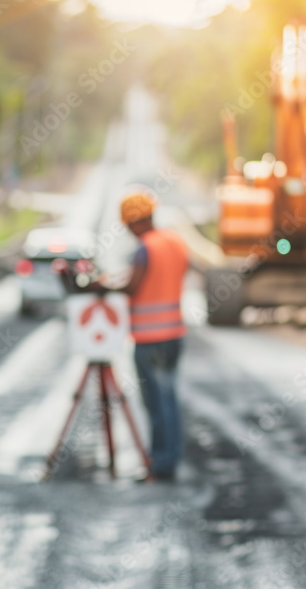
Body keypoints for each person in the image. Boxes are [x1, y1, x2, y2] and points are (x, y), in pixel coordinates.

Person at [112, 191, 190, 482]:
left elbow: (133, 286)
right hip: (174, 335)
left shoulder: (145, 248)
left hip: (149, 339)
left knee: (157, 403)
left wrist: (103, 286)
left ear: (134, 222)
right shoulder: (175, 241)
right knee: (169, 398)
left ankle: (162, 464)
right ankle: (171, 456)